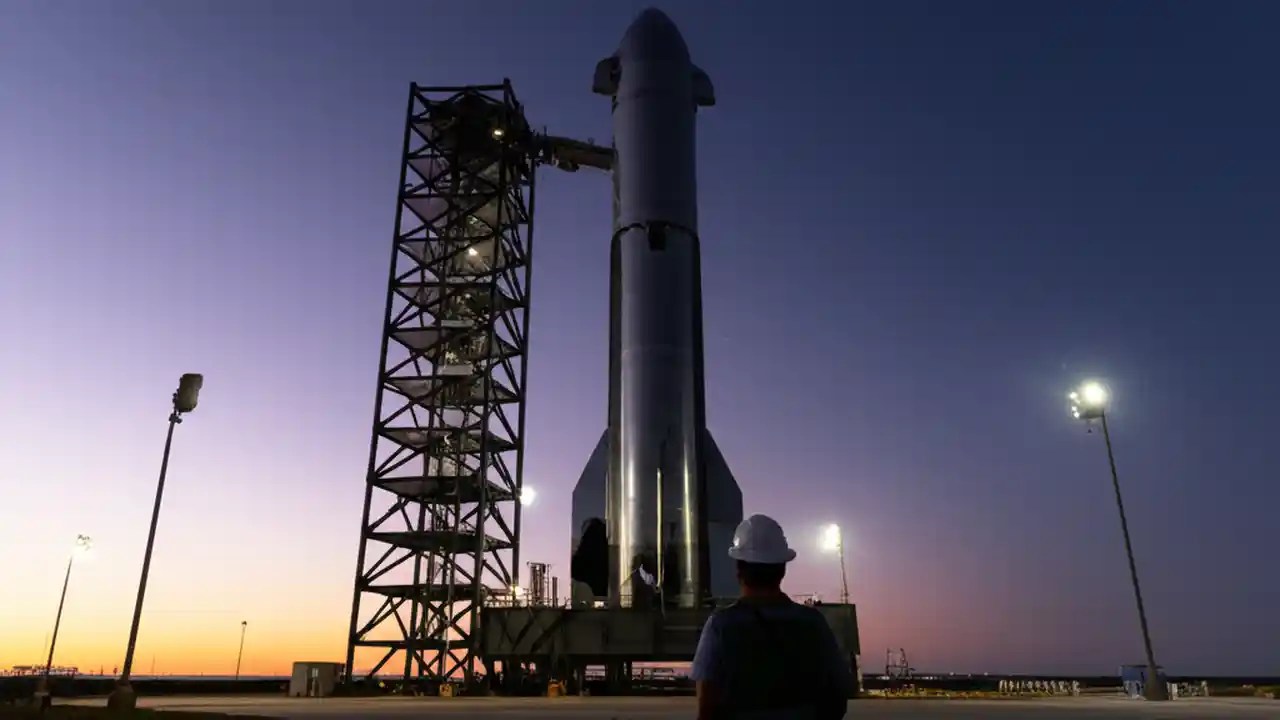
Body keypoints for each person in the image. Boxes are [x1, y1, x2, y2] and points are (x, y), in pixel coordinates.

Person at [691, 514, 853, 719]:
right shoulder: (813, 623)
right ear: (782, 569)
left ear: (739, 569)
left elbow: (706, 708)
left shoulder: (721, 626)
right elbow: (838, 697)